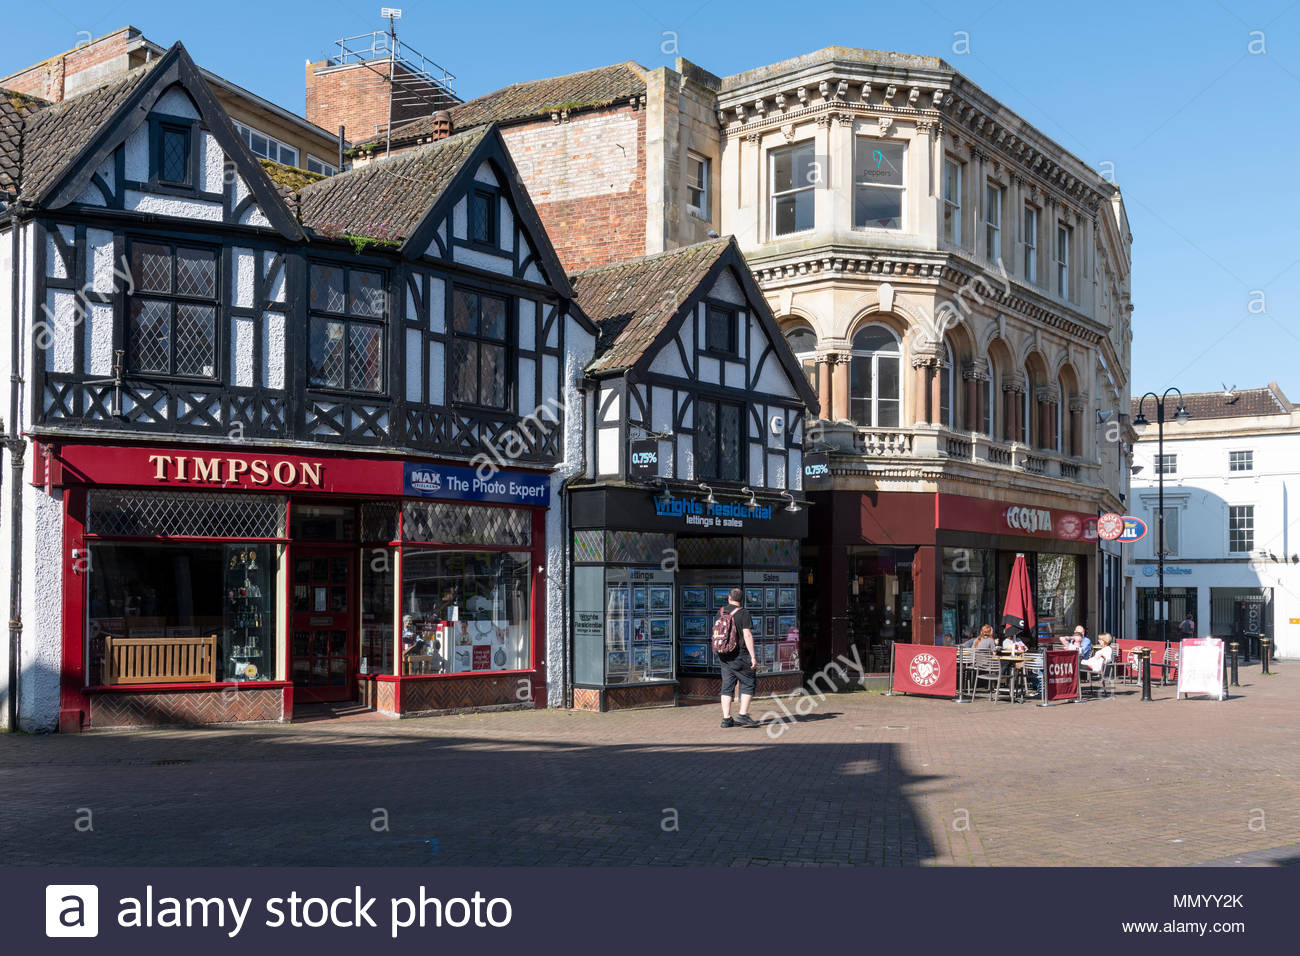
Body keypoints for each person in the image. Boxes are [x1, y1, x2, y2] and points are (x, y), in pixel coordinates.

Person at [718, 588, 759, 728]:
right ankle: (742, 715)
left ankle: (726, 718)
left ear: (729, 597)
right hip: (740, 655)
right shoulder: (743, 613)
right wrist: (753, 656)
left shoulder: (721, 611)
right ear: (741, 599)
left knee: (727, 686)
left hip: (724, 655)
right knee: (748, 682)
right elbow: (747, 635)